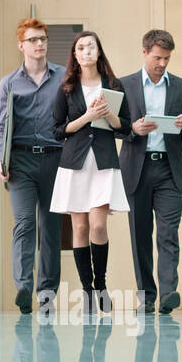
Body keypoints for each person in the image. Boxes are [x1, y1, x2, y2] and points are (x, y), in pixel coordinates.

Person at [119, 29, 182, 313]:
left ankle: (168, 293)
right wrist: (132, 129)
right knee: (140, 236)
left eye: (166, 58)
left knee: (168, 233)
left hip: (169, 169)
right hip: (136, 170)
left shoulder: (180, 86)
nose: (162, 63)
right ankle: (146, 297)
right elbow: (113, 127)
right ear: (144, 53)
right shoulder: (124, 85)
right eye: (157, 57)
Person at [51, 31, 130, 314]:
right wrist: (87, 117)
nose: (86, 52)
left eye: (91, 47)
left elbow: (126, 126)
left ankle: (101, 283)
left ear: (99, 52)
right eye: (80, 48)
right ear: (74, 54)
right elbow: (58, 130)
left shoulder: (113, 84)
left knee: (98, 226)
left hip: (104, 162)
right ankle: (86, 290)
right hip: (74, 164)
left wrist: (108, 115)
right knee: (80, 228)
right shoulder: (67, 88)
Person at [0, 18, 65, 314]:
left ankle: (46, 293)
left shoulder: (63, 77)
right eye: (34, 40)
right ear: (21, 45)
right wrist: (0, 158)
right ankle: (24, 287)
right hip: (21, 162)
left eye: (43, 39)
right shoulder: (9, 83)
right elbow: (1, 127)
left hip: (56, 159)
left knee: (50, 228)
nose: (40, 44)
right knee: (24, 223)